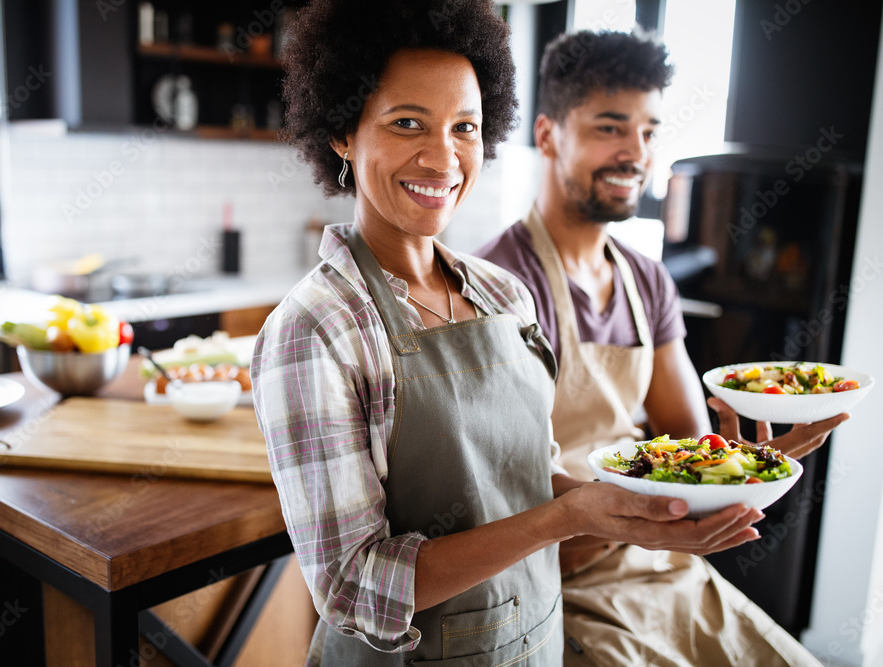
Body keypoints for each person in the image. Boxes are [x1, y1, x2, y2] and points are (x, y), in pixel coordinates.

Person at [252, 5, 765, 665]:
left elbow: (529, 476)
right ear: (343, 134)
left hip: (537, 642)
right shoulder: (315, 329)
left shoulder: (503, 294)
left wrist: (648, 510)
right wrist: (567, 519)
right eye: (408, 122)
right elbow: (353, 588)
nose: (443, 157)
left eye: (464, 127)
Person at [477, 29, 848, 666]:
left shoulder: (647, 281)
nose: (634, 153)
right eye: (609, 128)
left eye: (648, 132)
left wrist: (739, 467)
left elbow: (687, 440)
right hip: (552, 581)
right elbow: (501, 488)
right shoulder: (501, 286)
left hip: (662, 566)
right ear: (547, 135)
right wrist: (638, 510)